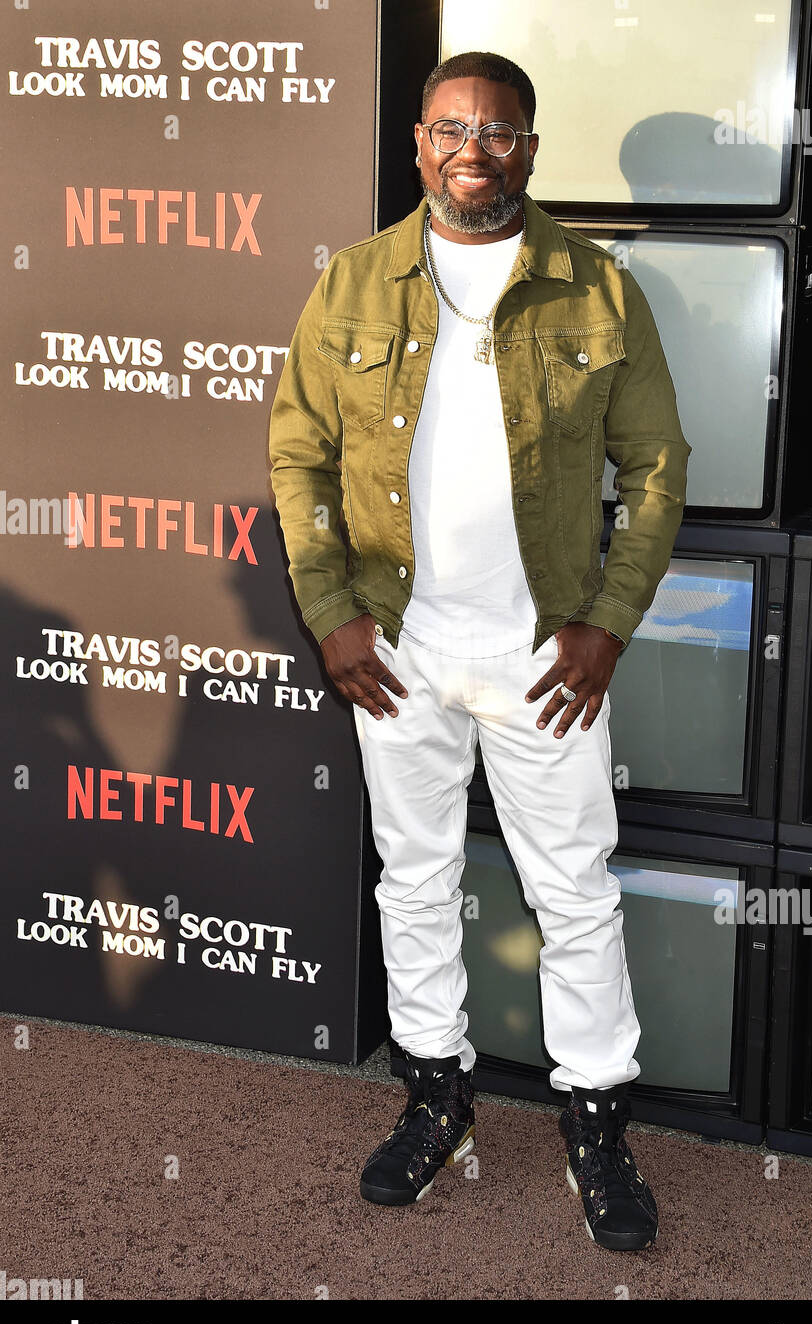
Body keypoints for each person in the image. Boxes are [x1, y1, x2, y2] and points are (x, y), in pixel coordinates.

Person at [269, 50, 691, 1252]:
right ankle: (435, 1102)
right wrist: (328, 608)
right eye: (452, 128)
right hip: (393, 653)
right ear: (418, 143)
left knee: (573, 892)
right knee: (412, 880)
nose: (473, 150)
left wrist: (606, 623)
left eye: (498, 133)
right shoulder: (350, 284)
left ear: (530, 150)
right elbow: (296, 455)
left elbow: (657, 471)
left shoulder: (597, 291)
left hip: (539, 661)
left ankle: (596, 1126)